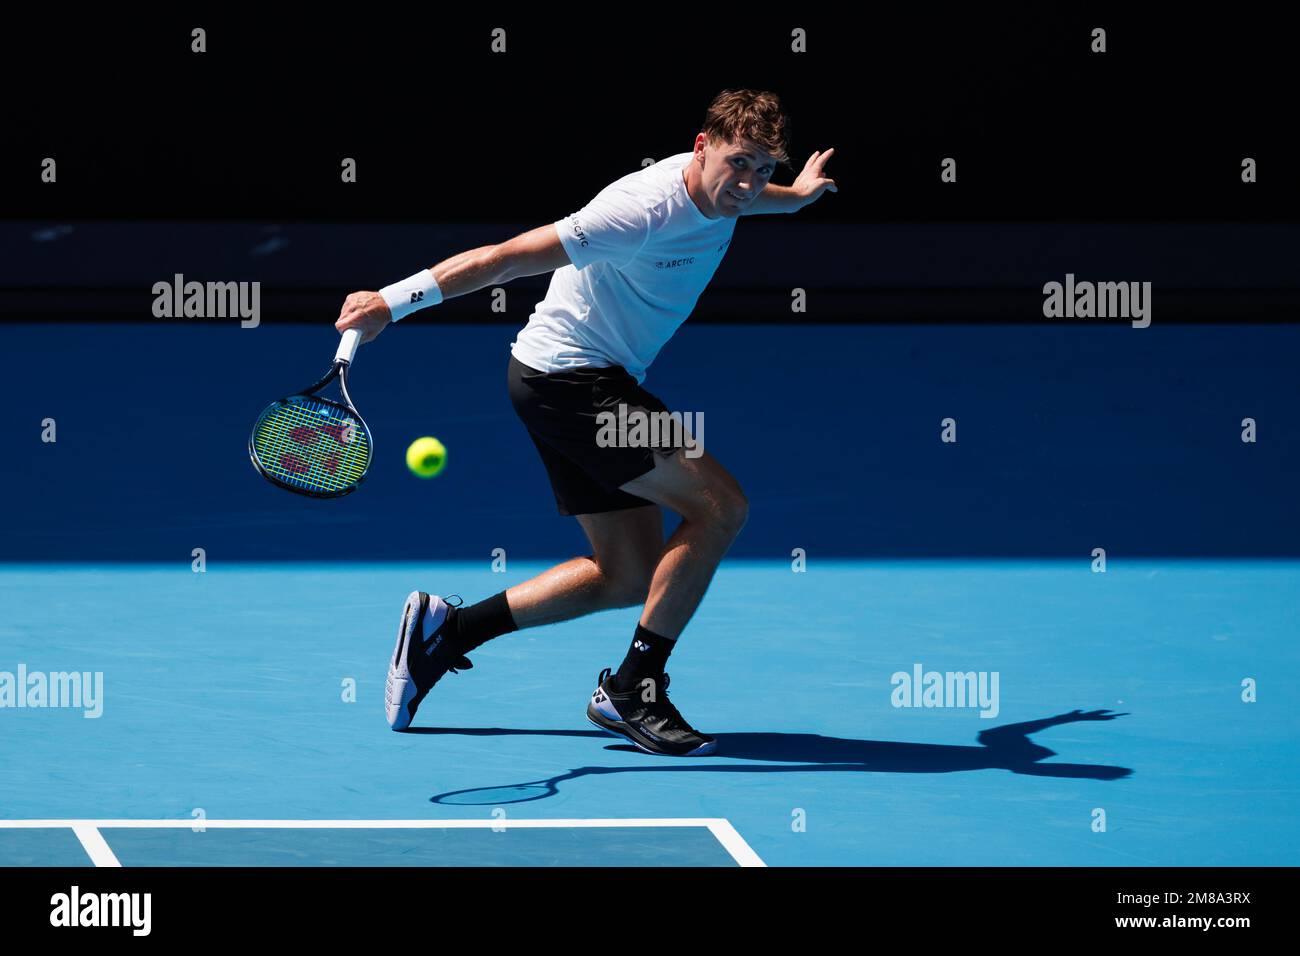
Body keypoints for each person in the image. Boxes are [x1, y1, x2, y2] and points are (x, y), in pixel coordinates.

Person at [336, 89, 836, 756]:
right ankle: (635, 688)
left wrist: (795, 196)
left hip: (562, 380)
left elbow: (745, 194)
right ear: (699, 147)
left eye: (763, 168)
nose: (748, 183)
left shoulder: (733, 189)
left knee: (628, 575)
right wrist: (390, 303)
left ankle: (448, 632)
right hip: (573, 384)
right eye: (738, 163)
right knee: (721, 508)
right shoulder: (637, 212)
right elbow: (506, 257)